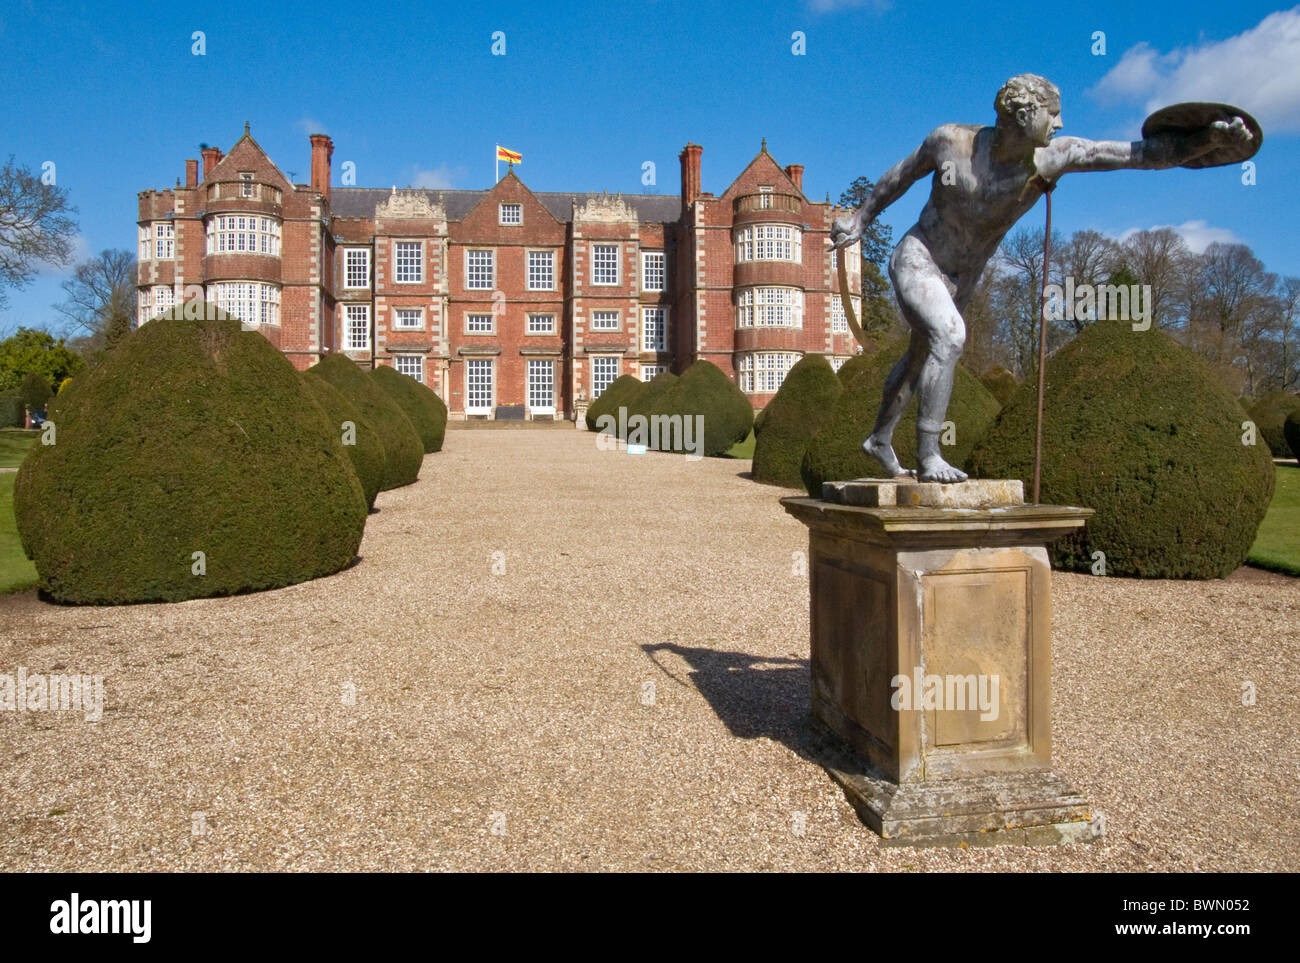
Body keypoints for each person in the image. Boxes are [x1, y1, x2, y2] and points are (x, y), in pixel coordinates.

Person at [830, 73, 1251, 482]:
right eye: (1053, 113)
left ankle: (879, 439)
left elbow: (1137, 154)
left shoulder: (1053, 158)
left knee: (919, 357)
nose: (1061, 123)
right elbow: (900, 175)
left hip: (964, 277)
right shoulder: (950, 142)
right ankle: (930, 455)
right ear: (1023, 113)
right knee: (950, 336)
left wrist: (1208, 141)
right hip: (919, 258)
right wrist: (860, 219)